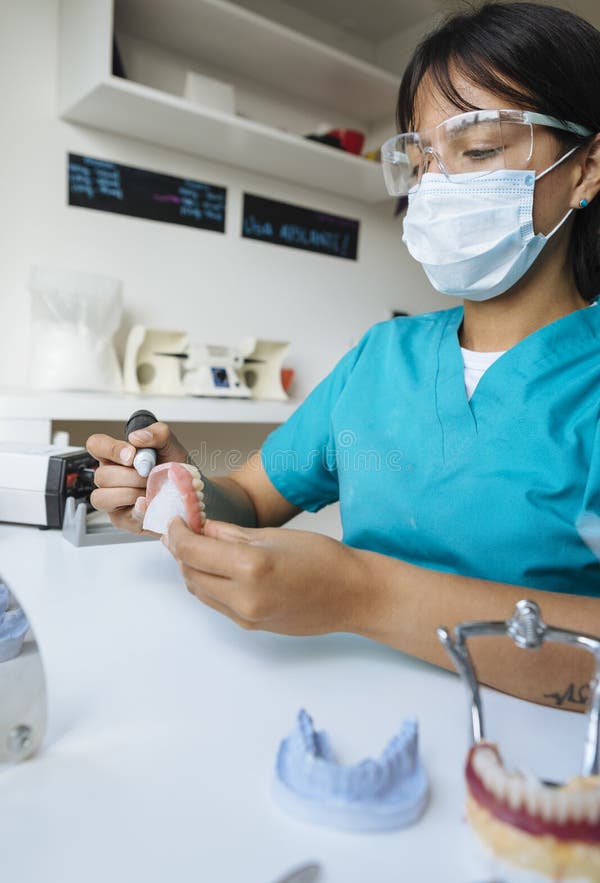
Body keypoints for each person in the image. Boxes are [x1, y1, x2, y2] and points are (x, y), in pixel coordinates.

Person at [88, 1, 600, 712]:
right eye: (423, 160)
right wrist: (180, 486)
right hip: (347, 717)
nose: (441, 187)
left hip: (530, 766)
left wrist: (361, 594)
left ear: (588, 167)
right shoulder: (382, 359)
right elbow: (254, 500)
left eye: (478, 151)